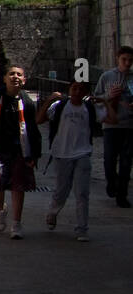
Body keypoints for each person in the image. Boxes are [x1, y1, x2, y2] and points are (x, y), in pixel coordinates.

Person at [0, 64, 42, 239]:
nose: (15, 77)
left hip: (20, 149)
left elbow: (32, 129)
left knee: (18, 186)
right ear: (4, 78)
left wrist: (34, 153)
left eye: (19, 74)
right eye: (11, 74)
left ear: (24, 79)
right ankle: (0, 208)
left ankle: (16, 224)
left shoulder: (27, 102)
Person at [37, 81, 102, 241]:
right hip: (62, 154)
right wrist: (49, 100)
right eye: (74, 88)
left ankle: (82, 229)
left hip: (83, 153)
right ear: (69, 90)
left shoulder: (89, 109)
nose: (77, 91)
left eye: (81, 89)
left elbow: (111, 119)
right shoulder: (60, 106)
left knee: (82, 193)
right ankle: (53, 212)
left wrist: (106, 101)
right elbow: (39, 120)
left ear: (86, 92)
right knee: (62, 191)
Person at [93, 45, 133, 208]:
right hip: (110, 124)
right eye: (124, 59)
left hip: (129, 124)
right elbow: (96, 98)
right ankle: (111, 183)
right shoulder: (107, 76)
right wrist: (110, 96)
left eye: (130, 60)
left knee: (126, 160)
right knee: (109, 159)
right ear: (118, 59)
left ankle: (122, 195)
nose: (127, 63)